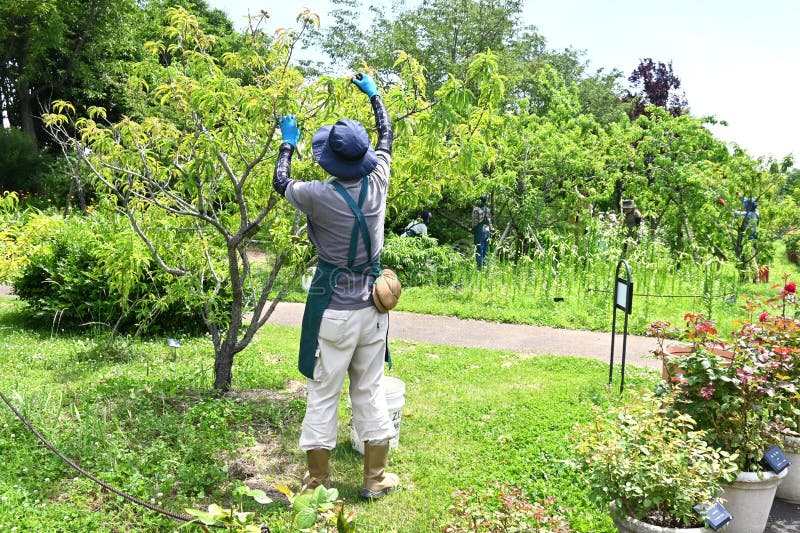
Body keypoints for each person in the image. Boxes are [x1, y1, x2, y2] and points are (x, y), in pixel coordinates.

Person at [272, 72, 399, 500]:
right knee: (369, 388)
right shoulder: (378, 180)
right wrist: (375, 95)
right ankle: (375, 480)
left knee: (324, 392)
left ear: (330, 161)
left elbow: (280, 181)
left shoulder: (315, 194)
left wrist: (287, 141)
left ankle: (318, 480)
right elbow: (386, 135)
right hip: (373, 311)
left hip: (335, 311)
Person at [472, 195, 491, 269]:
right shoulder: (487, 209)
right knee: (485, 247)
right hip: (486, 228)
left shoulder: (476, 209)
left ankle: (479, 267)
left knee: (479, 247)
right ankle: (485, 265)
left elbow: (474, 221)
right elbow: (489, 221)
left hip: (480, 227)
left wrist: (473, 229)